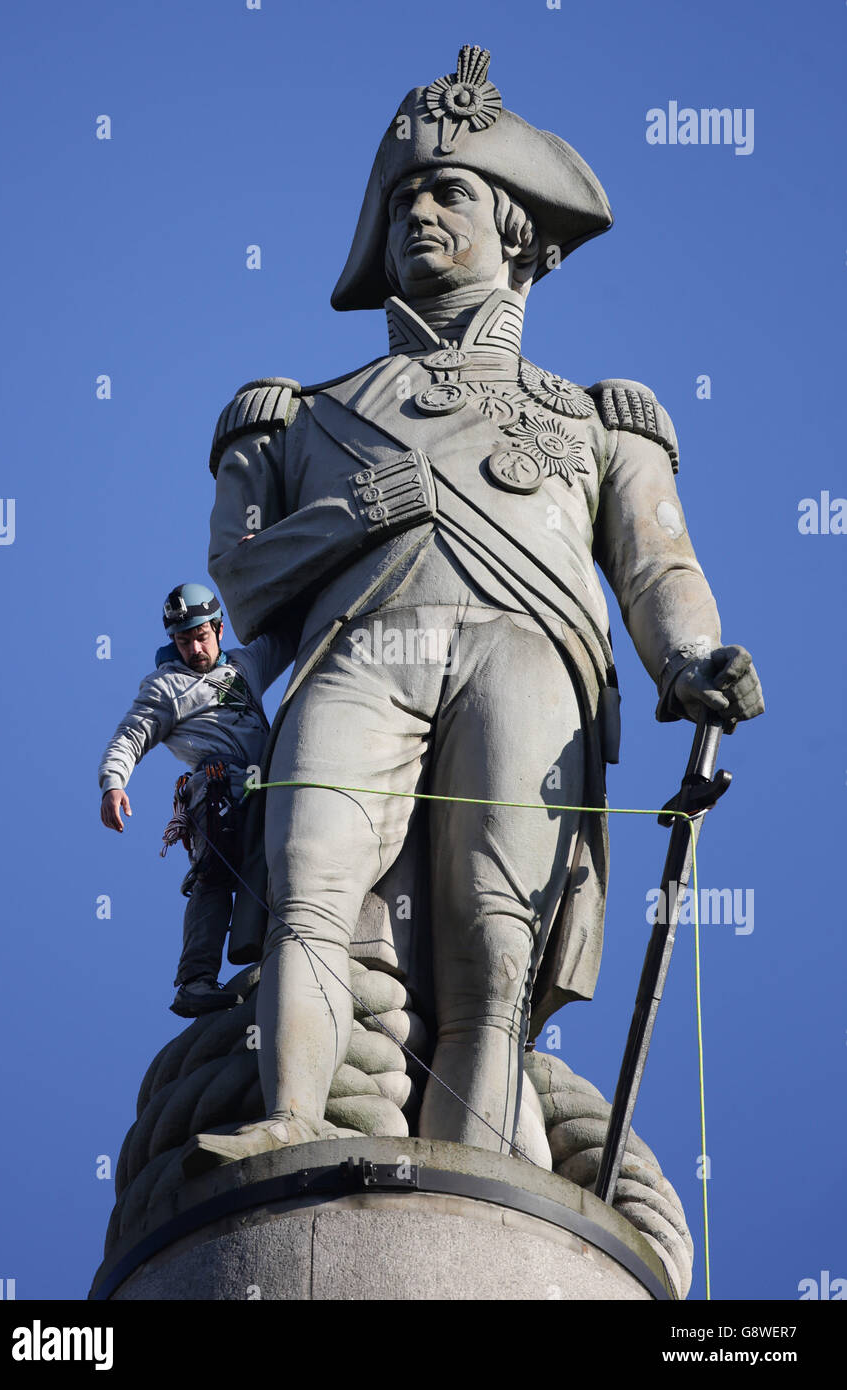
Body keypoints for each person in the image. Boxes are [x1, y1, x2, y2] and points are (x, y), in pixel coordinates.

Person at [183, 46, 763, 1172]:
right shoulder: (299, 416)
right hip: (358, 656)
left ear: (516, 231)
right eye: (403, 198)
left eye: (449, 192)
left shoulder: (600, 419)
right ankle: (294, 1117)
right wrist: (355, 513)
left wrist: (693, 661)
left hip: (527, 658)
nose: (420, 214)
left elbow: (656, 568)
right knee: (311, 878)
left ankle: (484, 1179)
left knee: (493, 954)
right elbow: (244, 584)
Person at [98, 582, 293, 1017]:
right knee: (215, 874)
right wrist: (113, 783)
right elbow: (130, 736)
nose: (193, 648)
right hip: (218, 787)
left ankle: (269, 943)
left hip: (266, 789)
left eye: (200, 636)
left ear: (219, 629)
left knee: (282, 860)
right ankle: (194, 981)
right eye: (182, 640)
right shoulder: (166, 687)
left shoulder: (246, 663)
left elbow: (290, 632)